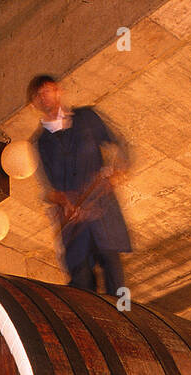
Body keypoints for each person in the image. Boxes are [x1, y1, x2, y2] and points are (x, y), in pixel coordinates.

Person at [27, 74, 132, 297]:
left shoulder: (87, 117)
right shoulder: (40, 142)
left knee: (115, 278)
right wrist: (65, 202)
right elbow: (49, 190)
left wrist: (116, 174)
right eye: (38, 96)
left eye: (47, 91)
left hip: (103, 212)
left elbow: (120, 146)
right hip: (74, 225)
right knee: (82, 284)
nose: (43, 98)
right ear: (34, 103)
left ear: (58, 90)